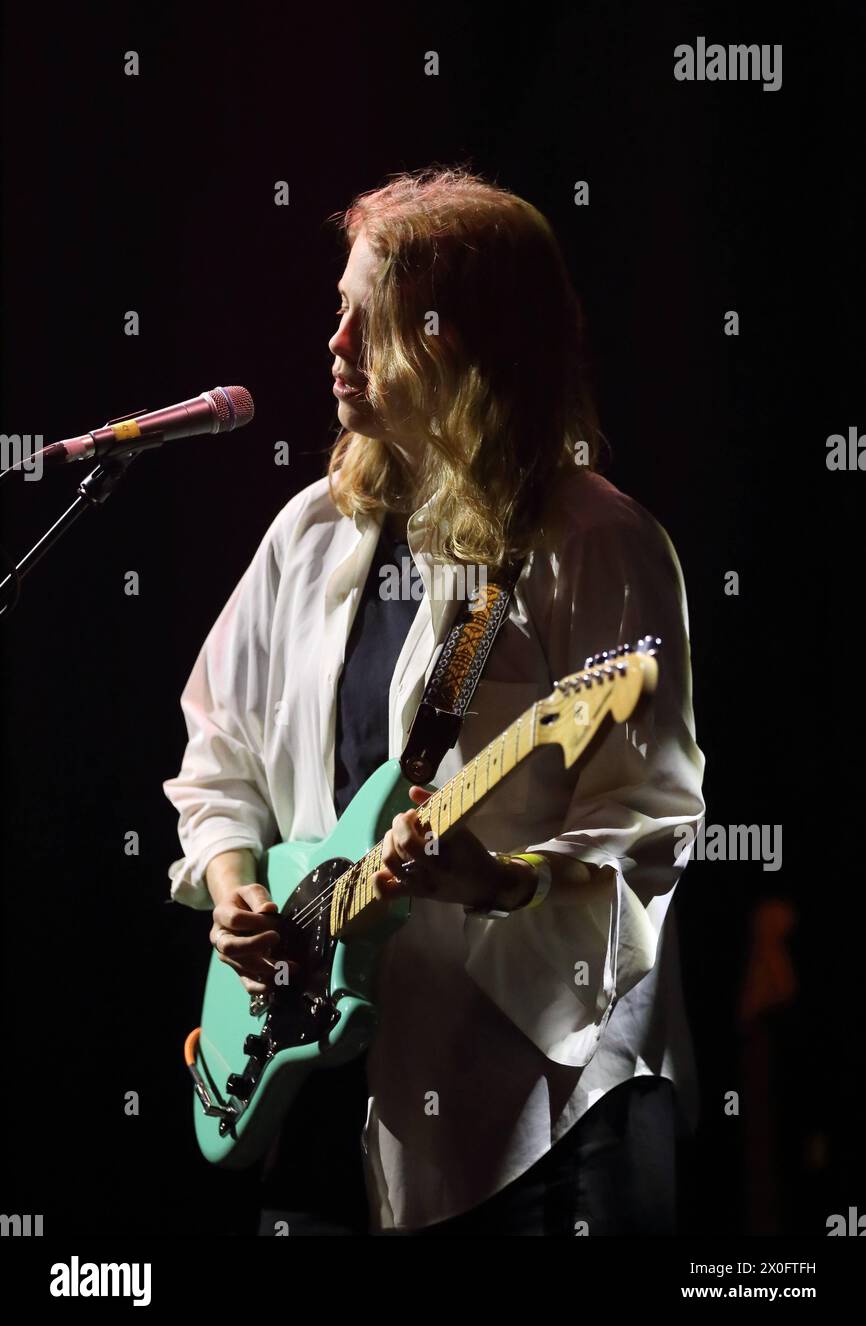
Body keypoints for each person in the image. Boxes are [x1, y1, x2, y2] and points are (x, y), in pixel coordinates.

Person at [163, 165, 706, 1236]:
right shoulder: (313, 528)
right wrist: (233, 881)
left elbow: (651, 824)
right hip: (324, 1079)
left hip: (538, 1105)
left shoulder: (593, 542)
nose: (334, 346)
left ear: (453, 341)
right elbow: (215, 746)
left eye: (368, 322)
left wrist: (495, 882)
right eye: (339, 315)